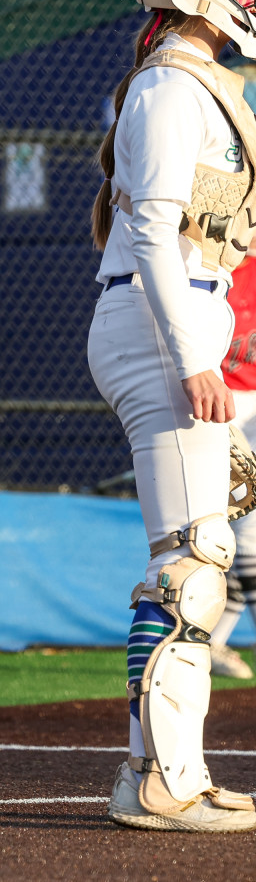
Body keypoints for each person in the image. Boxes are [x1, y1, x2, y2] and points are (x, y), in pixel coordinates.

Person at [86, 0, 256, 832]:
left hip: (173, 319)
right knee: (192, 564)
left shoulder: (200, 80)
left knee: (185, 562)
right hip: (164, 328)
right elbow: (151, 231)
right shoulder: (170, 85)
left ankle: (151, 775)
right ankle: (166, 782)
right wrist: (195, 360)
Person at [214, 252, 256, 678]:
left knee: (247, 530)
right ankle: (204, 641)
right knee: (243, 525)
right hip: (222, 402)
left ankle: (210, 642)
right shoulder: (220, 272)